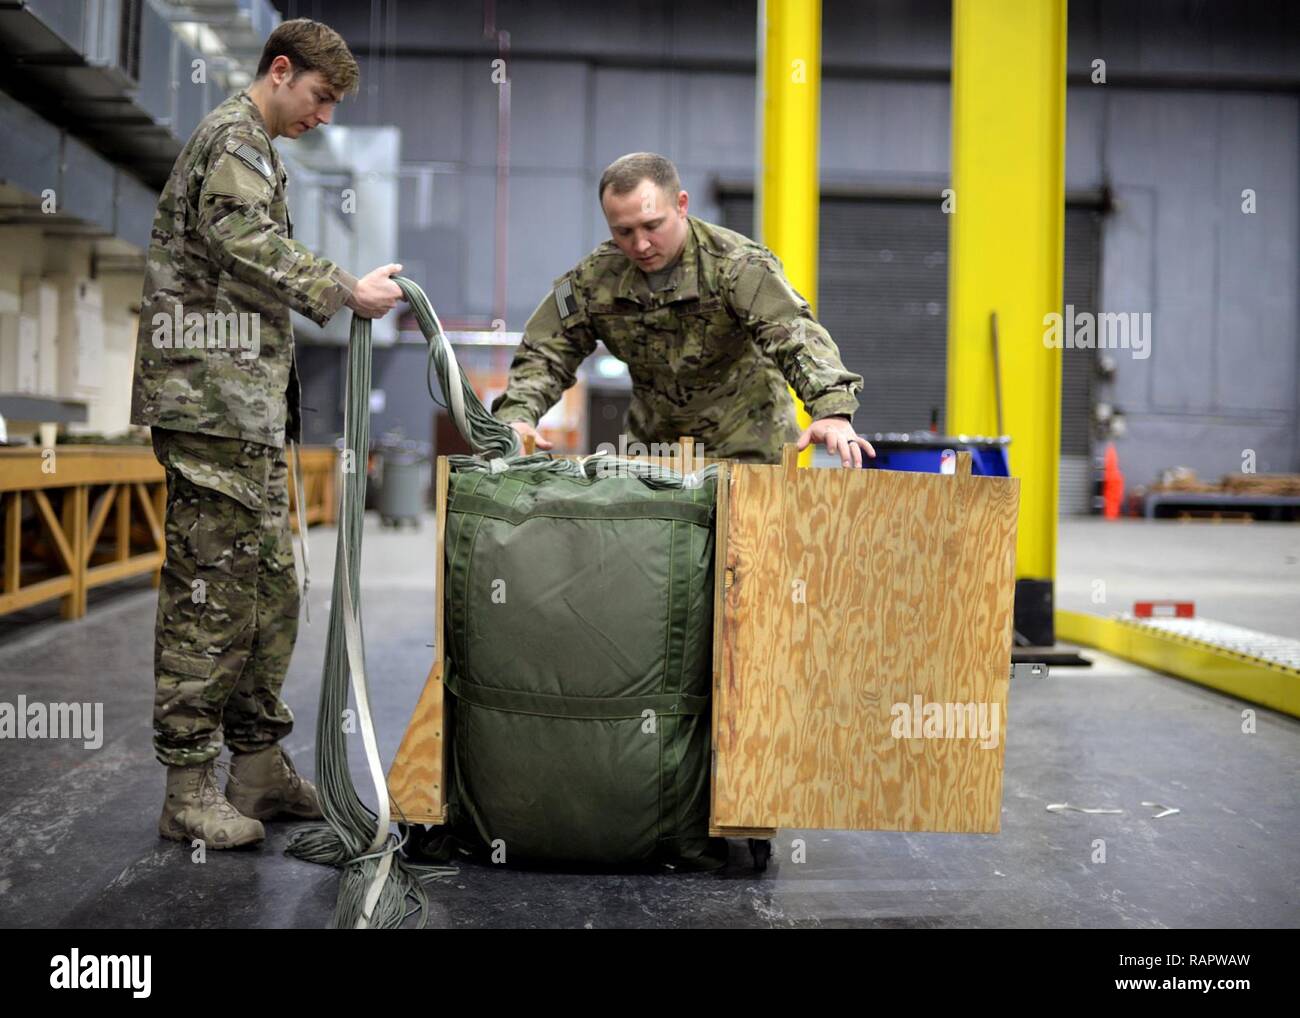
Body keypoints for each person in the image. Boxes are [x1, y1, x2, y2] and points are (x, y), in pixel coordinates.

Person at [130, 18, 403, 849]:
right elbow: (239, 238)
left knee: (272, 593)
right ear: (280, 71)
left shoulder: (259, 147)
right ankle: (186, 787)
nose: (322, 116)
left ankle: (255, 769)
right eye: (318, 98)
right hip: (207, 407)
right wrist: (341, 289)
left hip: (240, 412)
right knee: (210, 599)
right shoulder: (234, 138)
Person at [492, 151, 873, 467]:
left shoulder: (736, 266)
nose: (640, 244)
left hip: (749, 448)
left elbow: (795, 334)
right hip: (654, 452)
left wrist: (832, 410)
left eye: (652, 225)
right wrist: (517, 416)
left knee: (740, 557)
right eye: (623, 231)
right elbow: (545, 351)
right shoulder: (594, 280)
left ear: (682, 205)